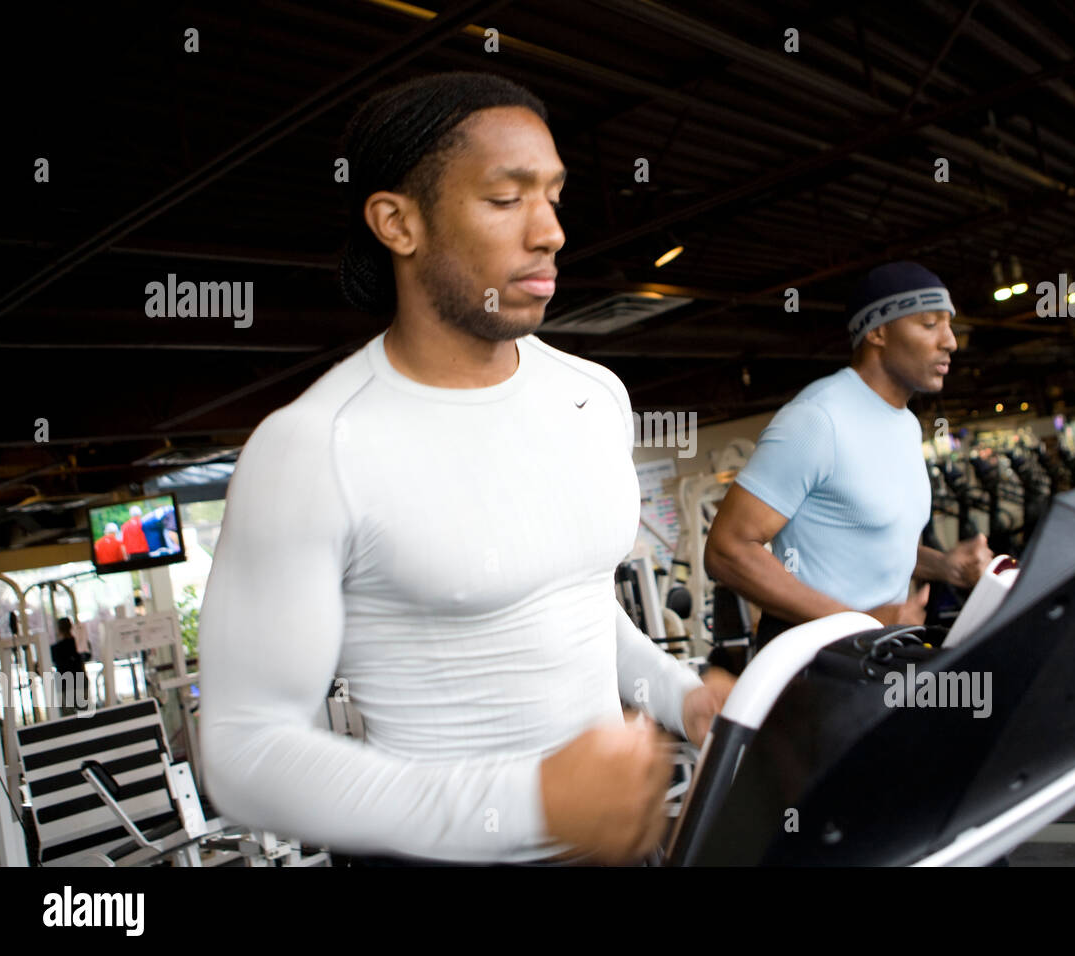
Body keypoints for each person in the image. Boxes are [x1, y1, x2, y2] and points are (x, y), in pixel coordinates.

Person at [198, 72, 735, 867]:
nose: (550, 230)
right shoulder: (312, 447)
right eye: (506, 197)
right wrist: (531, 803)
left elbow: (573, 609)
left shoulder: (595, 396)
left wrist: (679, 693)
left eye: (553, 195)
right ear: (398, 222)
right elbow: (246, 753)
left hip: (621, 850)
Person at [705, 261, 993, 651]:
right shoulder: (818, 419)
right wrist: (859, 626)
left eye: (949, 324)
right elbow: (727, 549)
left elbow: (866, 539)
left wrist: (946, 566)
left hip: (876, 649)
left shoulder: (906, 424)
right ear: (878, 331)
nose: (950, 341)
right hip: (813, 661)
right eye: (930, 324)